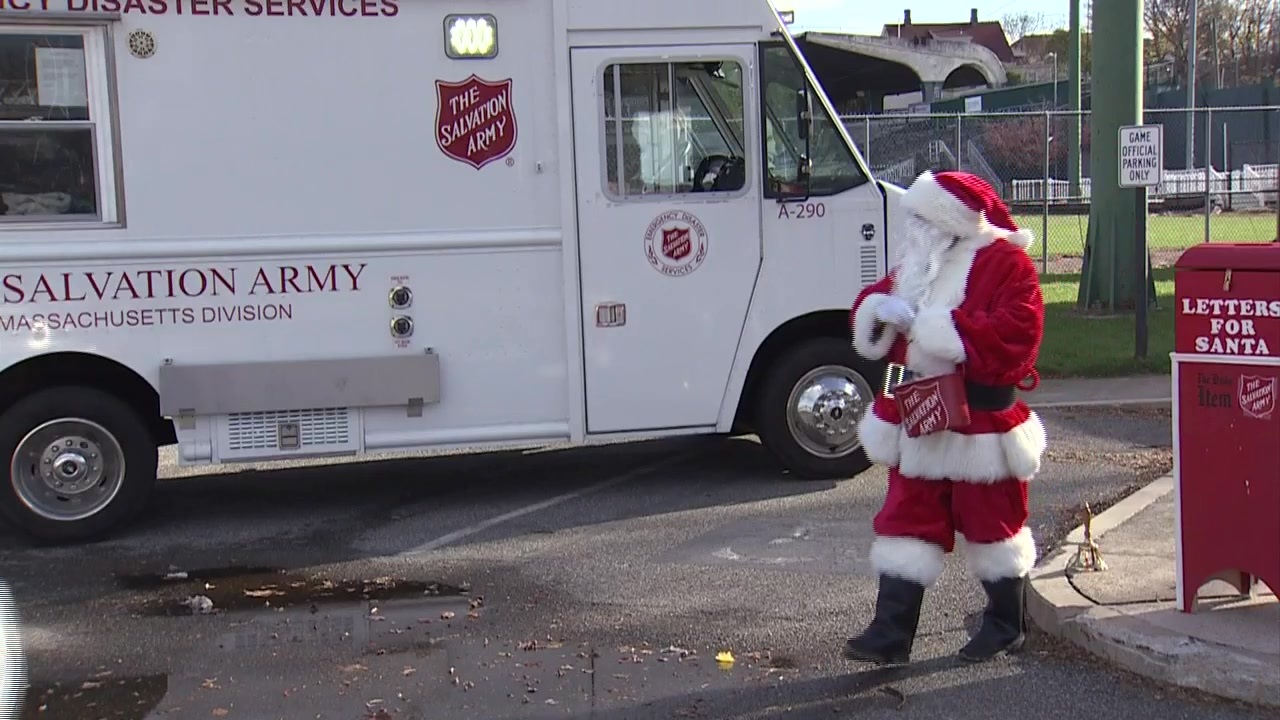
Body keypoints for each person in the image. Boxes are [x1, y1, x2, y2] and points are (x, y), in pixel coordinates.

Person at [844, 170, 1048, 665]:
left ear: (950, 219)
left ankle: (1005, 624)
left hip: (980, 422)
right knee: (906, 521)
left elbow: (1019, 333)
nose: (913, 226)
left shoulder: (1006, 262)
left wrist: (936, 329)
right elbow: (876, 314)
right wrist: (879, 312)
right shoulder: (921, 263)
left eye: (922, 216)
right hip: (924, 415)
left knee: (992, 526)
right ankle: (891, 633)